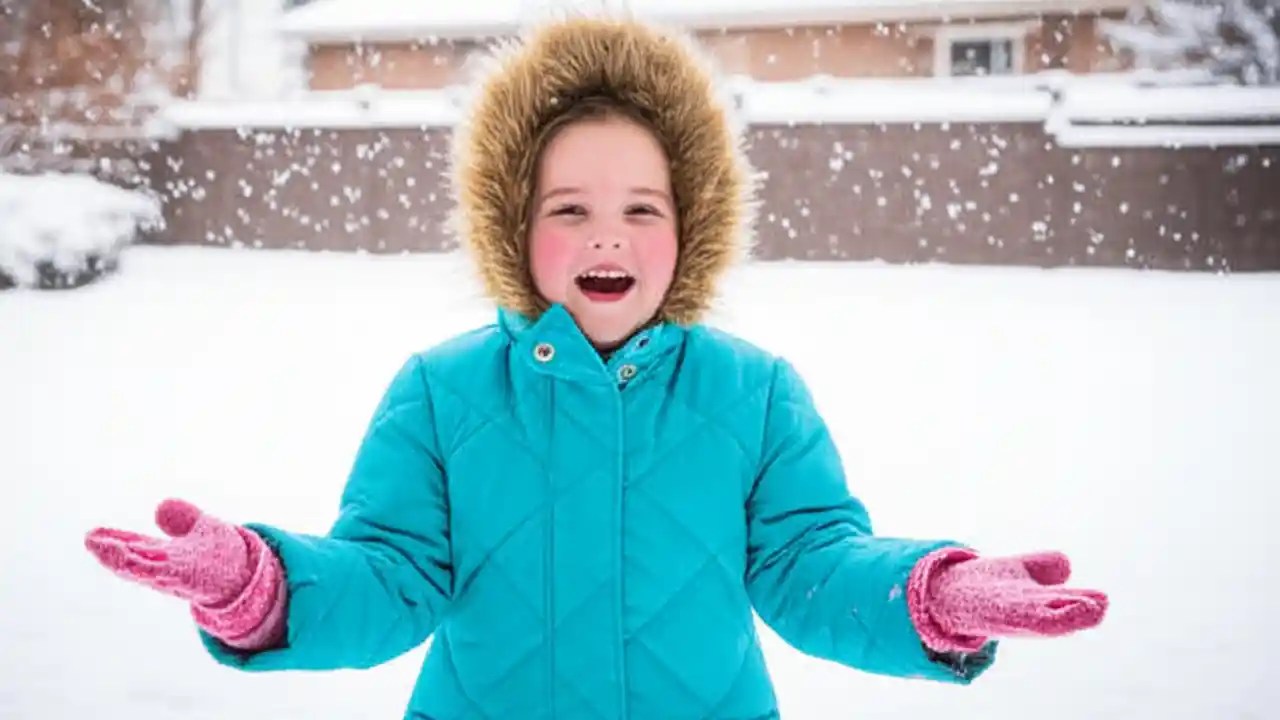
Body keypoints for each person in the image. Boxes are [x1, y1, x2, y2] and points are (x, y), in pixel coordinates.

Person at [84, 15, 1108, 719]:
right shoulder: (440, 396)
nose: (604, 237)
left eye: (640, 210)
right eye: (568, 210)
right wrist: (262, 587)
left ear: (690, 229)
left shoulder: (751, 395)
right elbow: (390, 578)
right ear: (512, 231)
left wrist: (931, 597)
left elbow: (810, 568)